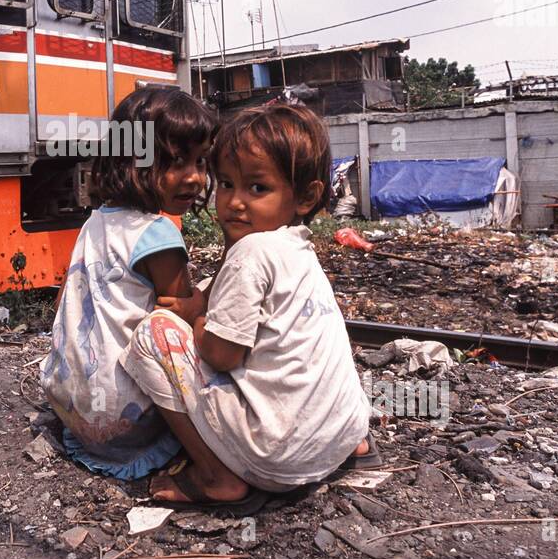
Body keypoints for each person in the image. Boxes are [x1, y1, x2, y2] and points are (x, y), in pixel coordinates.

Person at [120, 102, 377, 515]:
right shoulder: (298, 248)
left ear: (306, 196)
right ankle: (357, 443)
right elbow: (226, 288)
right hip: (341, 438)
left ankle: (215, 477)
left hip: (278, 459)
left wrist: (196, 322)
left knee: (153, 335)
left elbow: (222, 356)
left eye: (257, 189)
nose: (235, 202)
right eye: (225, 184)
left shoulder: (251, 253)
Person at [39, 88, 217, 479]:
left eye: (200, 161)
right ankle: (210, 463)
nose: (194, 177)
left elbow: (64, 305)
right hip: (129, 425)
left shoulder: (95, 221)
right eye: (175, 161)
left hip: (74, 411)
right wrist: (207, 299)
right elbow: (179, 313)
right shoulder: (158, 235)